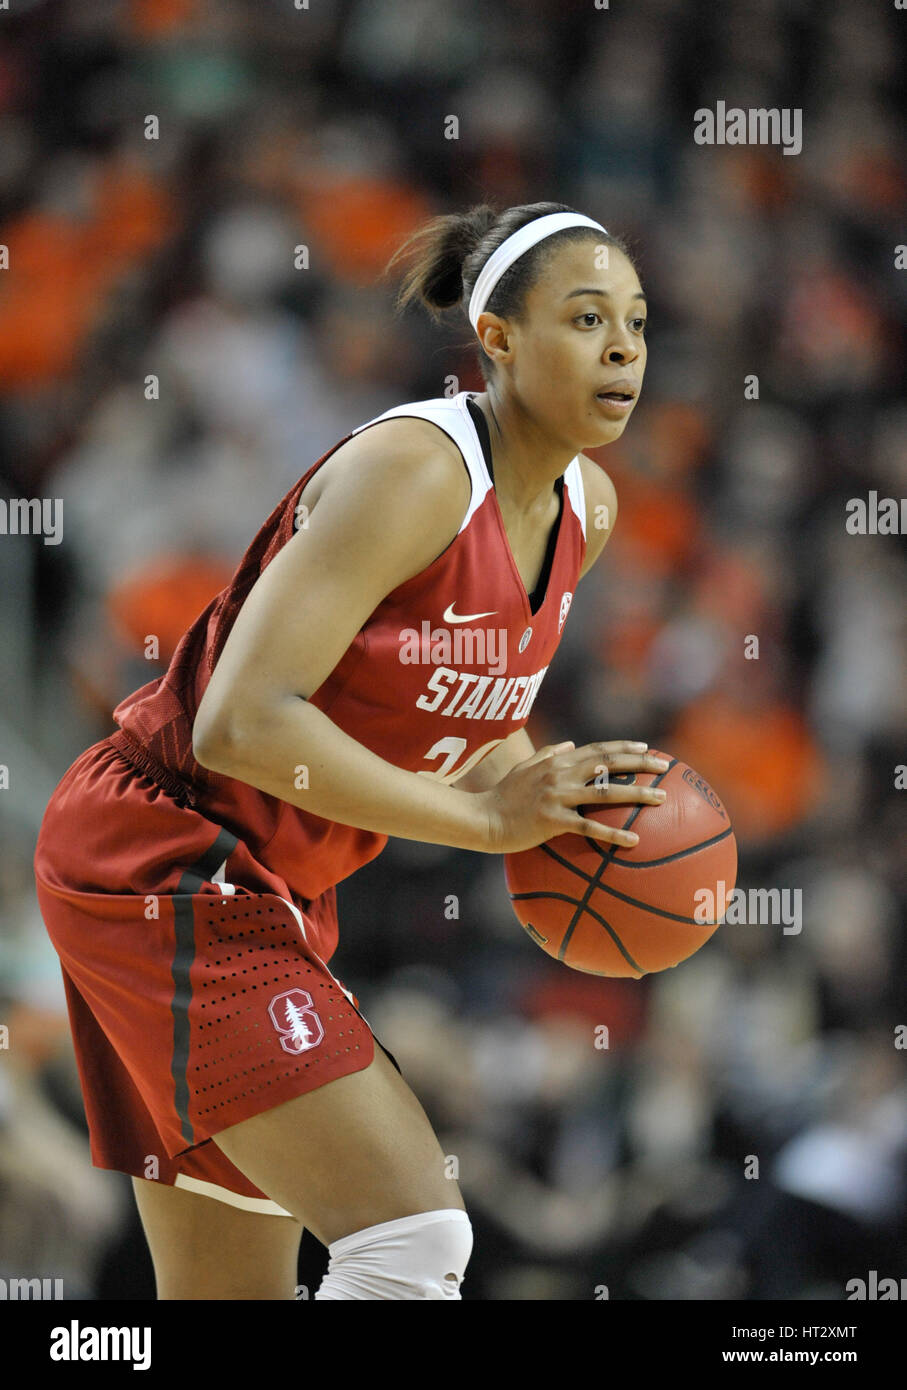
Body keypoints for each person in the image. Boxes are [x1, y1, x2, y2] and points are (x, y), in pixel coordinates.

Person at [33, 200, 669, 1300]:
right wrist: (483, 822)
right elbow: (242, 722)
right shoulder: (417, 471)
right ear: (500, 340)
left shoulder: (588, 511)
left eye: (637, 321)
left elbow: (462, 717)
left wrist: (555, 802)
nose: (622, 347)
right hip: (170, 849)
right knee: (415, 1239)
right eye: (585, 318)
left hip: (269, 885)